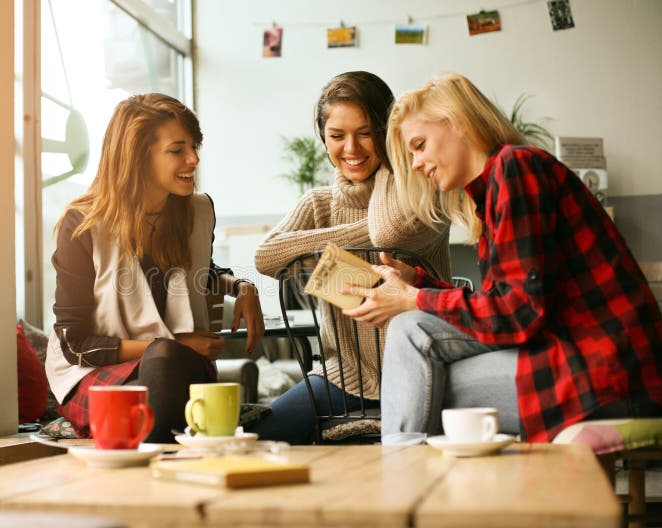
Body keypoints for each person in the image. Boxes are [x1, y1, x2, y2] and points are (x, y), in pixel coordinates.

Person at [343, 72, 662, 442]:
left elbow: (518, 315)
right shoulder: (498, 185)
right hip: (591, 360)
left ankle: (404, 482)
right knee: (414, 361)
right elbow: (505, 305)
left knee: (415, 363)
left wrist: (412, 300)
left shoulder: (516, 168)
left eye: (419, 145)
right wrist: (419, 284)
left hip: (608, 371)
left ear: (458, 123)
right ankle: (414, 479)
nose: (415, 163)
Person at [45, 93, 264, 443]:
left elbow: (200, 273)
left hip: (179, 365)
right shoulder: (82, 224)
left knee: (165, 367)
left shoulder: (196, 211)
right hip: (95, 370)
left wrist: (242, 287)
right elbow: (75, 344)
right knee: (162, 363)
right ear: (137, 156)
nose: (193, 159)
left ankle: (148, 451)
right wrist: (174, 342)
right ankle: (159, 456)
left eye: (194, 147)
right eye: (177, 150)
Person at [251, 71, 451, 444]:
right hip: (344, 375)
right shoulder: (318, 203)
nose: (351, 149)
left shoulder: (424, 191)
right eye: (337, 136)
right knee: (261, 438)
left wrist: (320, 254)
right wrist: (338, 248)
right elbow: (267, 257)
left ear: (387, 132)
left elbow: (391, 233)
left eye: (365, 133)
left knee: (405, 461)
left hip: (422, 369)